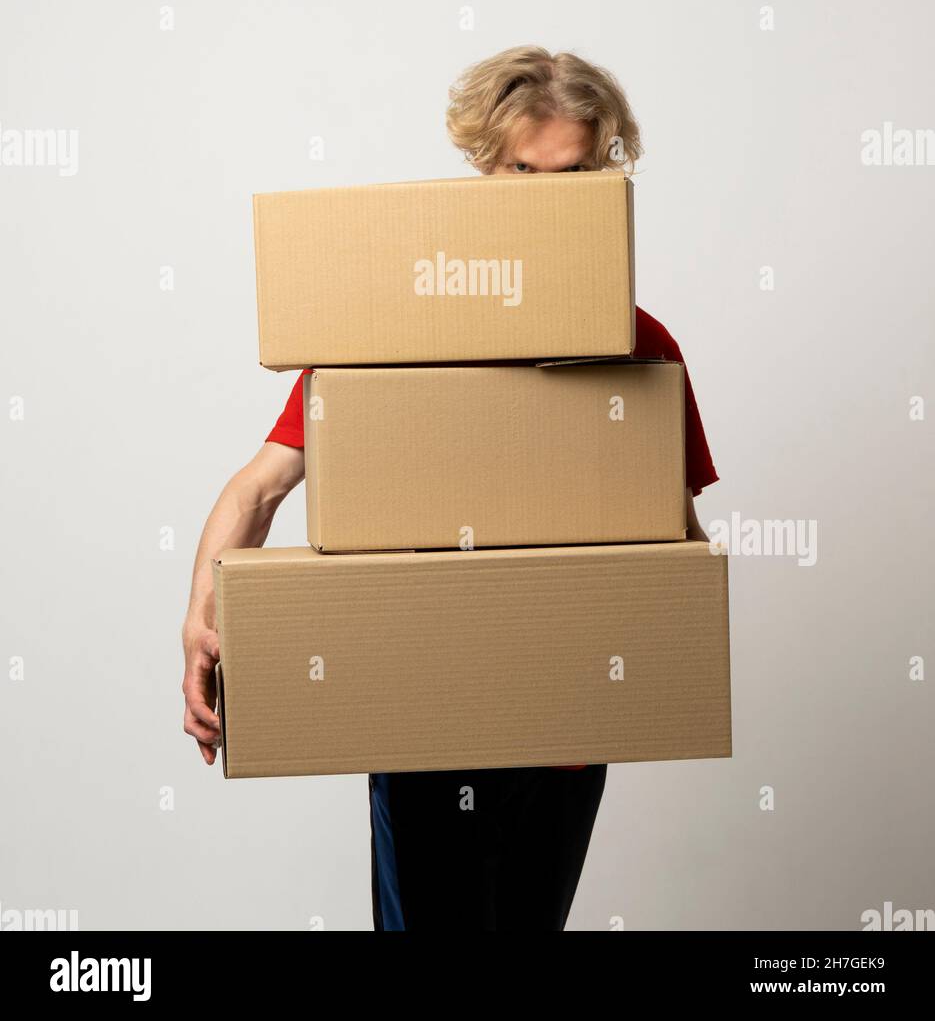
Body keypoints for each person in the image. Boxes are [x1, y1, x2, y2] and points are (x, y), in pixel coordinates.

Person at [181, 45, 719, 931]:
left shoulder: (640, 344)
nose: (545, 198)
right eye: (522, 171)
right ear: (481, 164)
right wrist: (201, 621)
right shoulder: (396, 329)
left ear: (604, 172)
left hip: (563, 725)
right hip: (420, 710)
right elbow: (257, 490)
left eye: (572, 174)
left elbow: (674, 551)